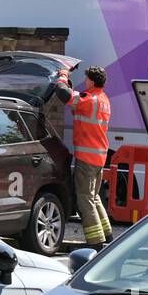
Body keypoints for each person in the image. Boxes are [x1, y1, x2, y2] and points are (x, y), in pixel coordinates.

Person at [54, 65, 112, 250]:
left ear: (92, 80)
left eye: (87, 78)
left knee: (84, 199)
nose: (85, 81)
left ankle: (95, 242)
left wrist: (63, 75)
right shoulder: (103, 99)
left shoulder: (90, 99)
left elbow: (64, 95)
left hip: (87, 157)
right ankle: (107, 234)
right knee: (94, 197)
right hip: (99, 158)